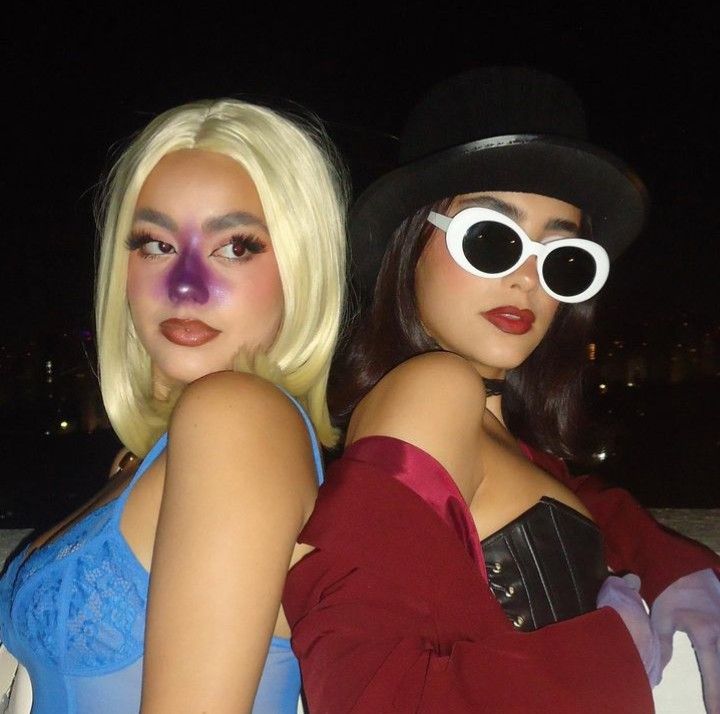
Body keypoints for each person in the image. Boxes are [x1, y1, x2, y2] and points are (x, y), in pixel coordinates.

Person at [283, 67, 720, 712]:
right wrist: (606, 651)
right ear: (410, 243)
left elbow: (588, 506)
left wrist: (668, 565)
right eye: (491, 239)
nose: (527, 280)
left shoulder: (493, 430)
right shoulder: (434, 391)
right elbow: (365, 681)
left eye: (563, 257)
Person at [0, 97, 346, 712]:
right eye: (155, 245)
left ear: (302, 266)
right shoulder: (143, 459)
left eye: (236, 247)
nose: (184, 284)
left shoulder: (236, 420)